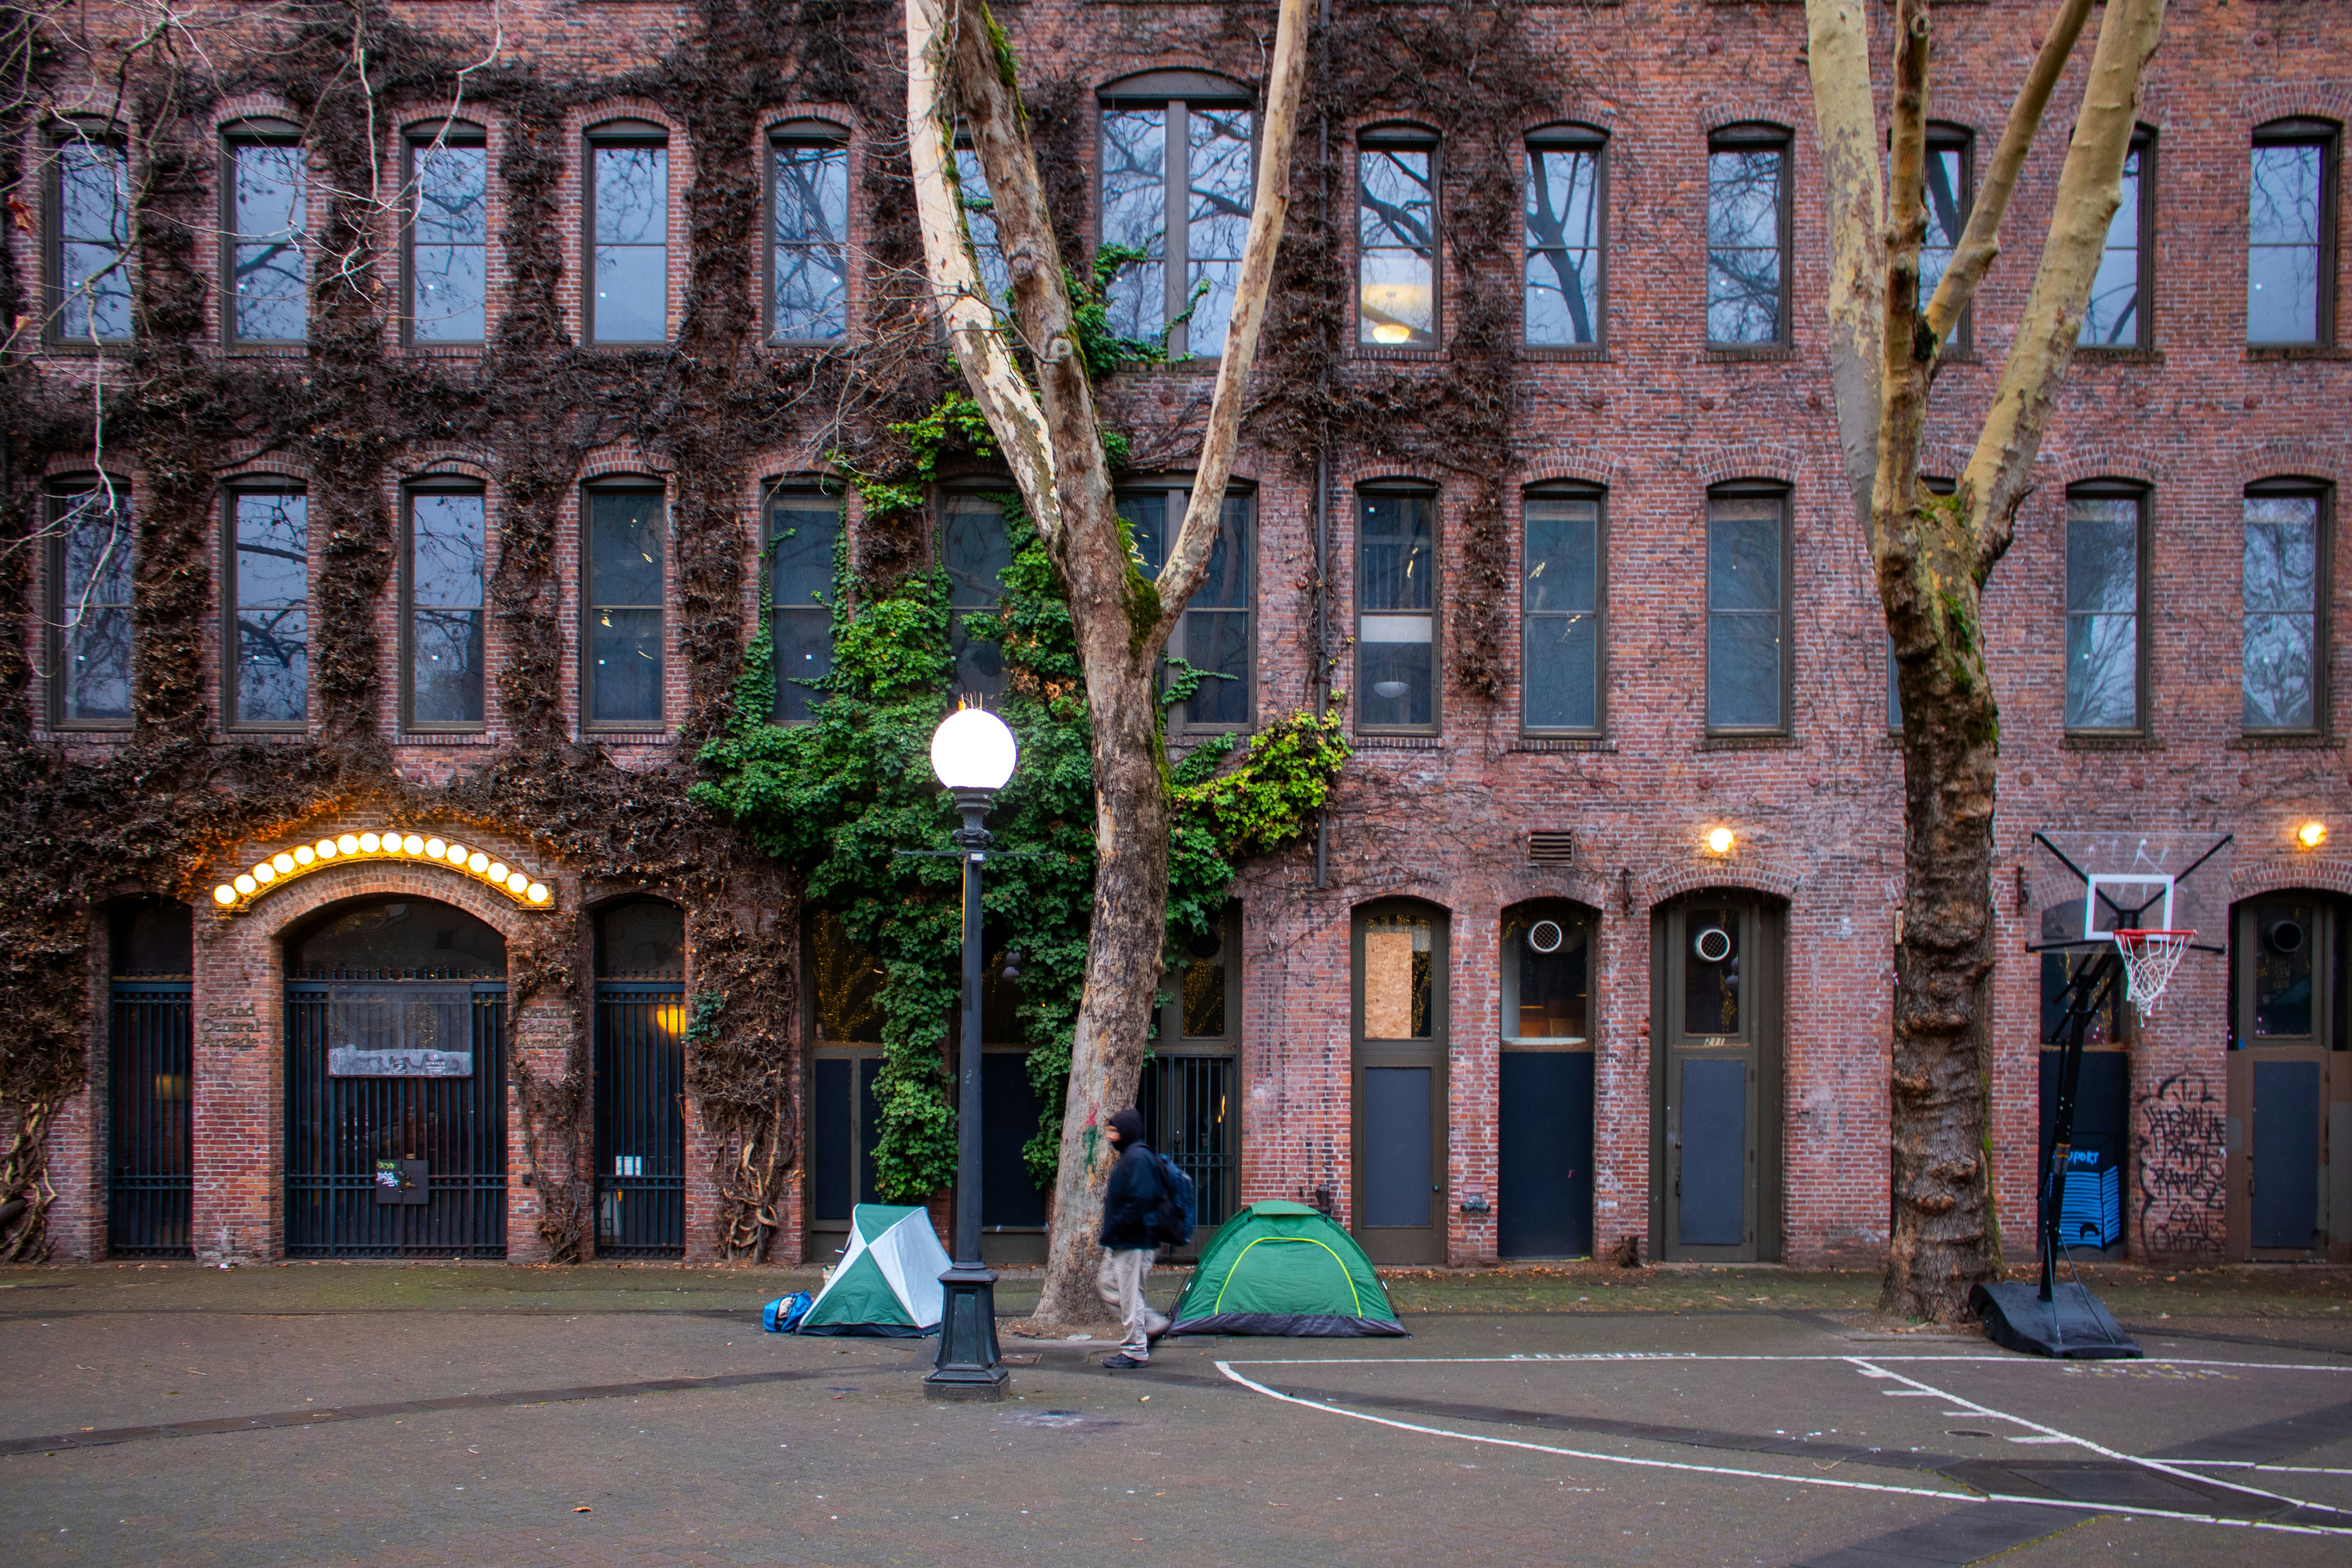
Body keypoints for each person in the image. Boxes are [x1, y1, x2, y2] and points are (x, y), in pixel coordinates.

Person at [1096, 1107, 1171, 1368]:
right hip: (1122, 1241)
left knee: (1129, 1296)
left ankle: (1135, 1350)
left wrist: (1117, 1227)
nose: (1110, 1136)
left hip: (1134, 1241)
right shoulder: (1131, 1156)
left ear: (1126, 1132)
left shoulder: (1138, 1158)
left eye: (1114, 1131)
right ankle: (1151, 1324)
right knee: (1107, 1285)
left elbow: (1140, 1201)